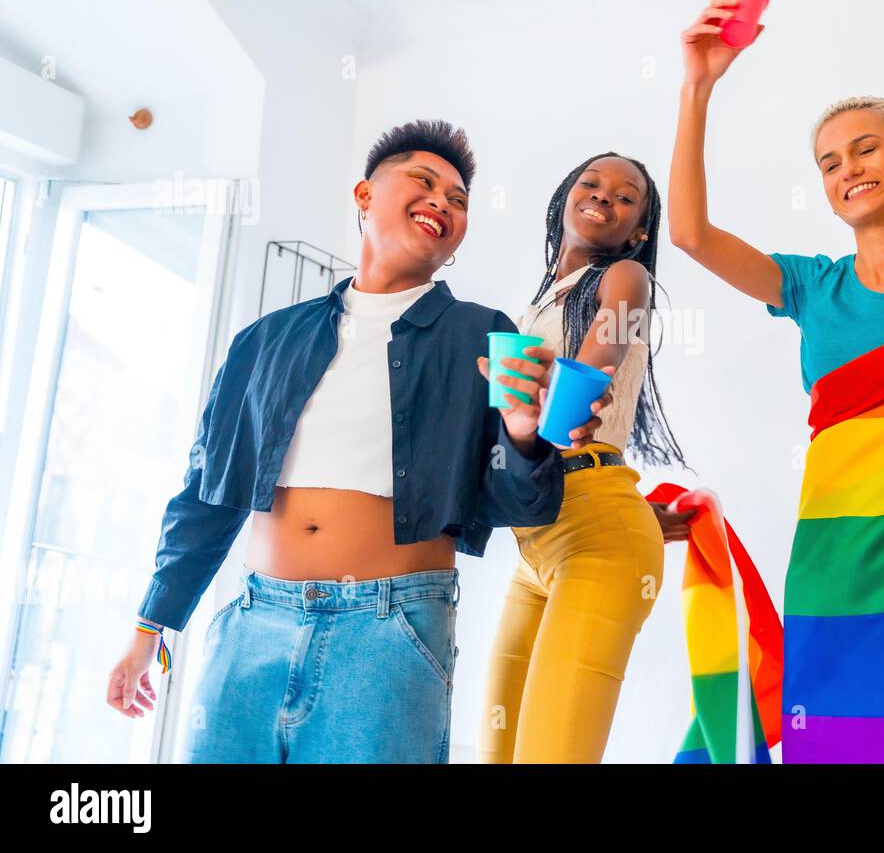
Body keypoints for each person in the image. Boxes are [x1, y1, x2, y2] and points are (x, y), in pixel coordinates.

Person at [106, 119, 613, 763]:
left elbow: (523, 504)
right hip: (251, 624)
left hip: (390, 633)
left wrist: (522, 433)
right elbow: (206, 494)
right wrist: (150, 626)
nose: (443, 203)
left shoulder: (483, 334)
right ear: (365, 197)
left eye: (458, 200)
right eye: (424, 183)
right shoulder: (265, 339)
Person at [667, 0, 884, 762]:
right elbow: (688, 233)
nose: (847, 169)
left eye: (864, 148)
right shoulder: (812, 288)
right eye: (829, 163)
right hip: (837, 573)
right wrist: (698, 85)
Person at [478, 151, 690, 763]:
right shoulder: (539, 303)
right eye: (591, 183)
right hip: (535, 541)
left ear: (640, 230)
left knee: (551, 753)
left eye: (627, 197)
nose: (605, 196)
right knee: (496, 749)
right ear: (565, 196)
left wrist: (546, 403)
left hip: (595, 534)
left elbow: (587, 380)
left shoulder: (625, 278)